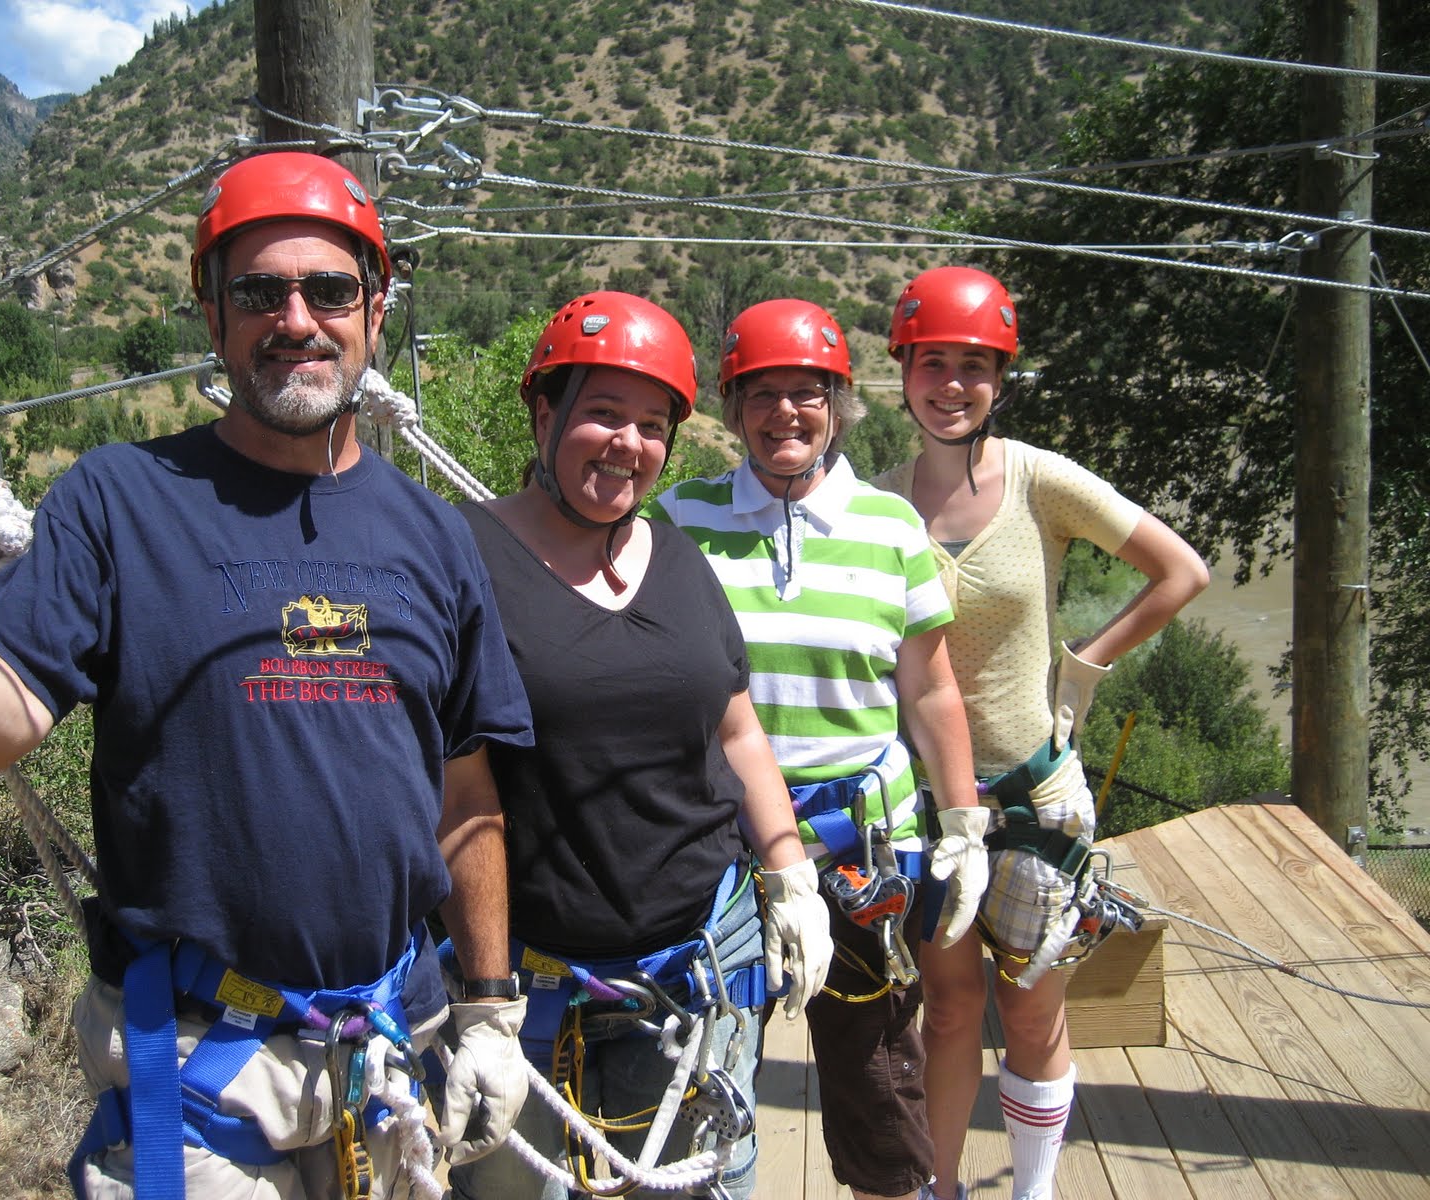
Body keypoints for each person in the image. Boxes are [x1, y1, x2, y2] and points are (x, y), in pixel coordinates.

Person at [0, 151, 539, 1200]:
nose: (295, 317)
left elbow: (467, 791)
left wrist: (489, 1009)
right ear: (213, 319)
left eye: (329, 289)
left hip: (390, 1059)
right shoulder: (122, 500)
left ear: (375, 312)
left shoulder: (435, 539)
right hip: (202, 1074)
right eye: (258, 291)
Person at [446, 291, 832, 1200]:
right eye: (604, 414)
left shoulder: (678, 557)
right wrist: (485, 1002)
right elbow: (459, 793)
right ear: (545, 416)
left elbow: (736, 728)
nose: (629, 444)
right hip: (534, 992)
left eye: (652, 425)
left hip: (702, 965)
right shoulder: (464, 558)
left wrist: (789, 872)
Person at [872, 265, 1210, 1200]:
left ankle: (1032, 1190)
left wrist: (1084, 667)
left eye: (973, 366)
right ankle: (940, 1189)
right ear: (901, 370)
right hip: (937, 808)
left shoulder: (1039, 480)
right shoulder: (876, 502)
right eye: (932, 362)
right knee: (947, 1013)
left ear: (1000, 378)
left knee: (1031, 1014)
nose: (952, 385)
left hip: (1036, 795)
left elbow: (1180, 571)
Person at [649, 298, 989, 1200]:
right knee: (710, 1065)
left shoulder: (888, 529)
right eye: (762, 393)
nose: (784, 413)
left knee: (877, 1076)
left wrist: (962, 822)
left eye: (807, 393)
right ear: (732, 409)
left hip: (857, 854)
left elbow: (930, 687)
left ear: (839, 404)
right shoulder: (677, 523)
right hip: (722, 845)